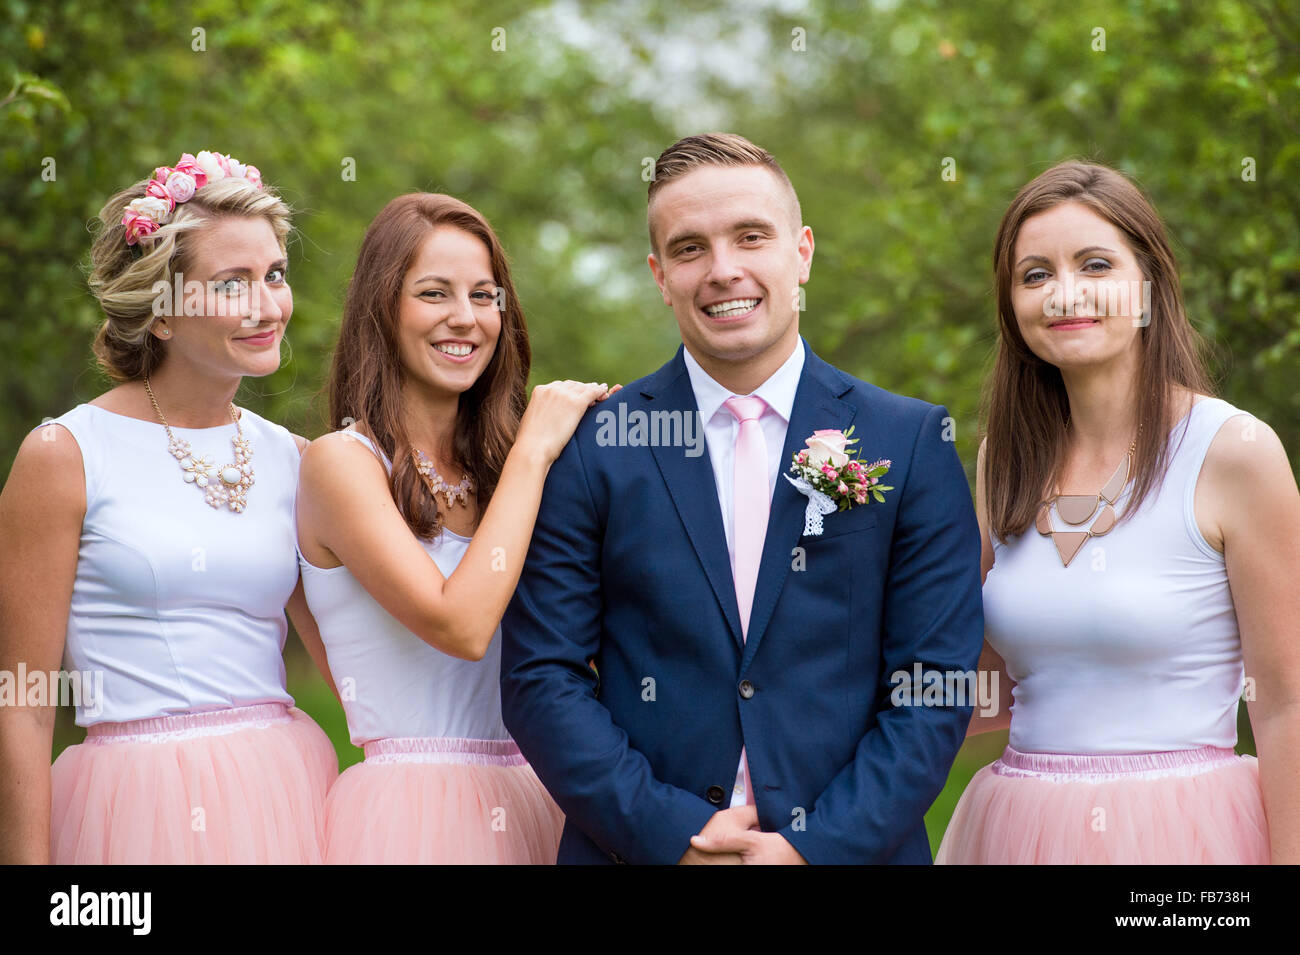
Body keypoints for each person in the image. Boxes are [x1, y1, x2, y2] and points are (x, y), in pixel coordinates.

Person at [500, 133, 985, 865]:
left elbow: (933, 683)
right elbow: (543, 677)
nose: (723, 270)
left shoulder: (910, 439)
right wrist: (677, 838)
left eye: (751, 237)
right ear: (661, 277)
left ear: (803, 253)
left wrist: (812, 848)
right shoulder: (595, 445)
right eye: (690, 249)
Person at [937, 160, 1300, 864]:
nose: (1064, 292)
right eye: (1035, 274)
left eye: (1095, 264)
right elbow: (976, 691)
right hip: (1017, 832)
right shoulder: (1001, 462)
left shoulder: (1235, 452)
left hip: (1185, 837)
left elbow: (1286, 705)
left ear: (1149, 288)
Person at [0, 151, 338, 864]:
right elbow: (23, 703)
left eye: (274, 275)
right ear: (159, 312)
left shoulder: (299, 461)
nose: (266, 305)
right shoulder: (65, 453)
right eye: (232, 282)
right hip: (131, 807)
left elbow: (356, 662)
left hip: (284, 798)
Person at [296, 193, 614, 863]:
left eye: (483, 294)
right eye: (434, 293)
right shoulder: (343, 465)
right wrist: (534, 449)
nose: (465, 319)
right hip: (411, 817)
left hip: (540, 798)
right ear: (383, 308)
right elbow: (460, 625)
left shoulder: (505, 471)